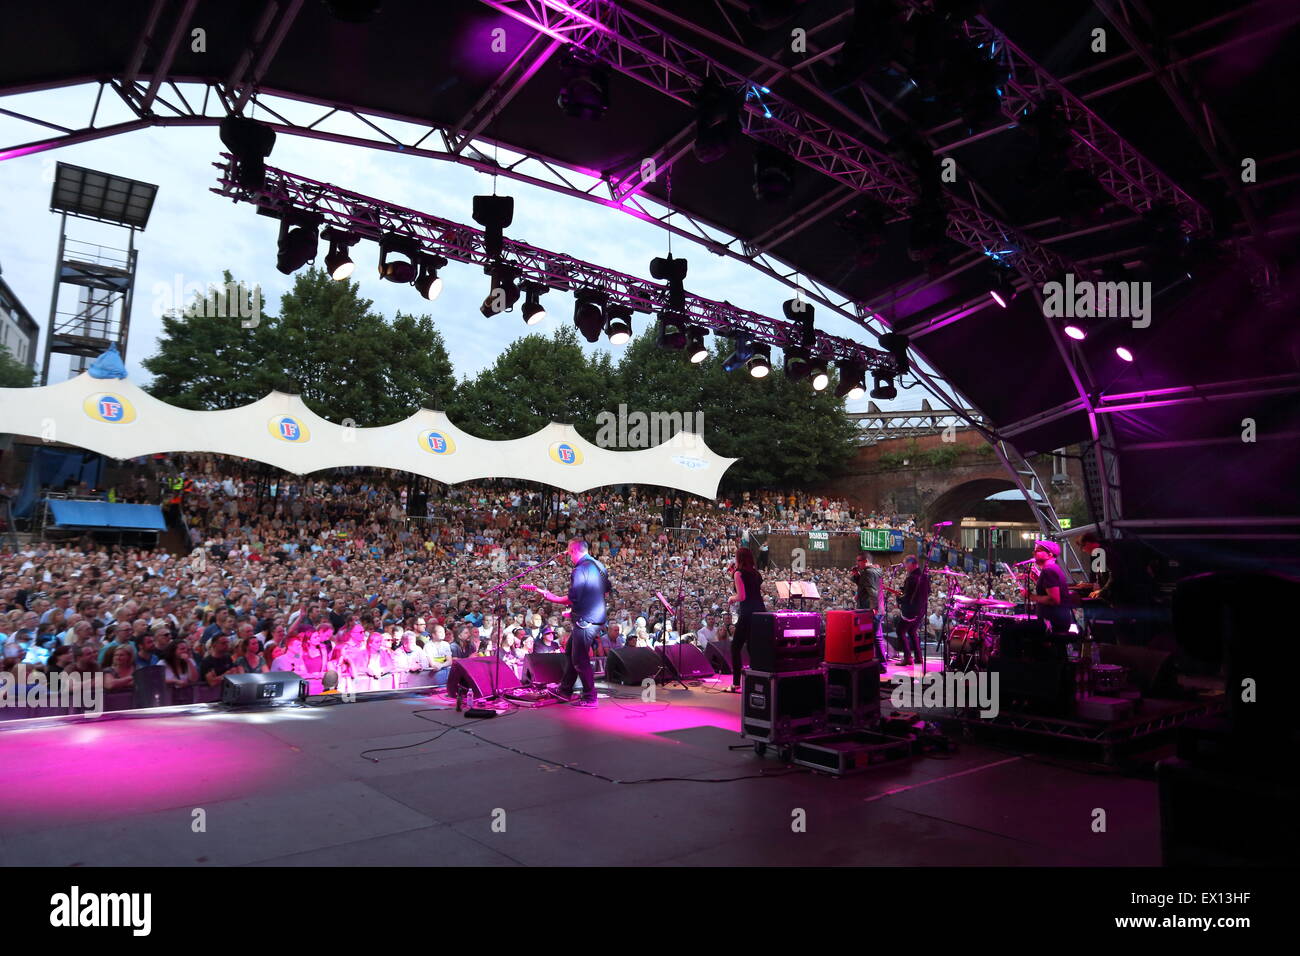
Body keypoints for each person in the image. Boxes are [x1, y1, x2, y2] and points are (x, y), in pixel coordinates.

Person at [521, 538, 609, 708]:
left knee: (580, 660)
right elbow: (604, 591)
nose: (569, 557)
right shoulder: (599, 565)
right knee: (570, 653)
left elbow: (572, 597)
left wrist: (549, 596)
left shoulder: (580, 569)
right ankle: (565, 690)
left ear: (573, 551)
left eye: (569, 553)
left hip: (586, 620)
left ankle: (590, 697)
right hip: (595, 616)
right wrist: (578, 608)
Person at [726, 546, 765, 692]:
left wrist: (731, 598)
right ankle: (758, 678)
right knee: (752, 647)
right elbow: (752, 588)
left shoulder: (739, 573)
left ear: (738, 558)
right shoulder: (755, 573)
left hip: (748, 613)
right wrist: (734, 573)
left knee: (735, 647)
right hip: (760, 612)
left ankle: (736, 683)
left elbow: (742, 596)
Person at [1022, 540, 1073, 634]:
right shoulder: (1053, 569)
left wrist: (1030, 596)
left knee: (1010, 631)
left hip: (1052, 623)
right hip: (1056, 620)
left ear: (1049, 555)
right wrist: (1037, 580)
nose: (1034, 553)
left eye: (1038, 551)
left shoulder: (1049, 571)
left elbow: (1054, 599)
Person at [850, 551, 886, 662]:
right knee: (877, 637)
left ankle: (879, 664)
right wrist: (857, 575)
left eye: (858, 561)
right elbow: (865, 585)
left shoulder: (867, 573)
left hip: (870, 610)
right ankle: (880, 663)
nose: (857, 563)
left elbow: (872, 591)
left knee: (873, 638)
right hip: (878, 608)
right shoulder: (874, 571)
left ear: (865, 561)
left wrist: (873, 609)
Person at [896, 555, 930, 666]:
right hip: (921, 610)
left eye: (905, 564)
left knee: (900, 631)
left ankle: (907, 658)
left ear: (911, 564)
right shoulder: (924, 576)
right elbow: (927, 591)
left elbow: (906, 597)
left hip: (910, 610)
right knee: (911, 631)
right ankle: (919, 657)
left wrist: (898, 597)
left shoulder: (911, 578)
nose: (905, 567)